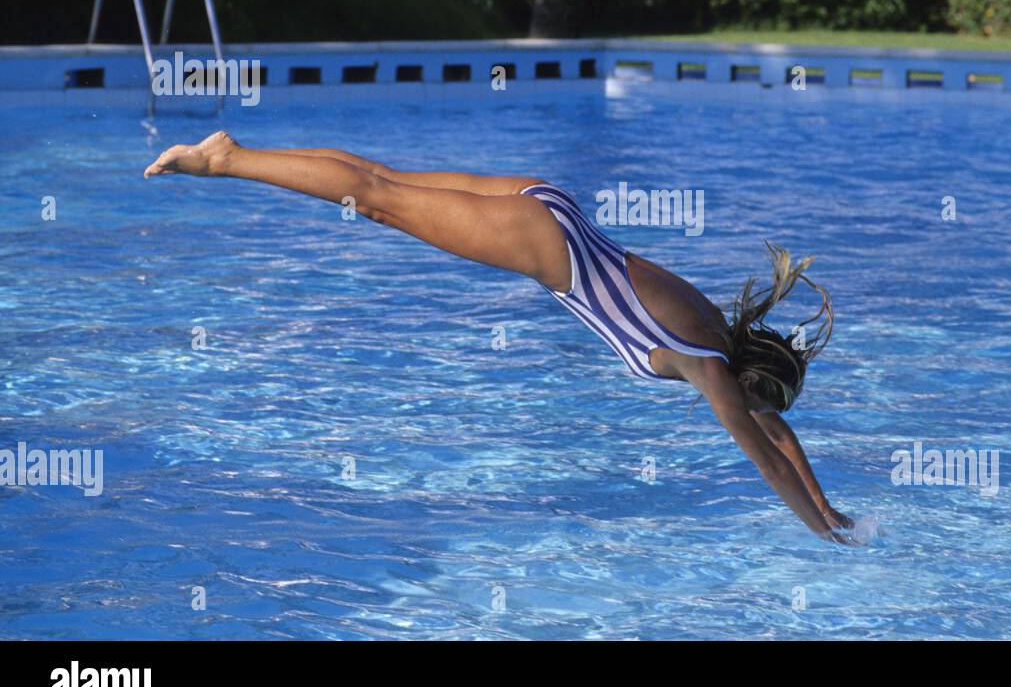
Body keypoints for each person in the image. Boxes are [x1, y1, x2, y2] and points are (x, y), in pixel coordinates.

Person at [145, 131, 857, 542]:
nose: (761, 415)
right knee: (382, 202)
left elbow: (779, 439)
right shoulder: (710, 371)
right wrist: (820, 534)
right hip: (547, 245)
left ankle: (233, 154)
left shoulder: (715, 326)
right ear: (753, 382)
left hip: (552, 204)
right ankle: (225, 158)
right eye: (764, 401)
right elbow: (766, 459)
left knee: (382, 179)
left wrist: (827, 503)